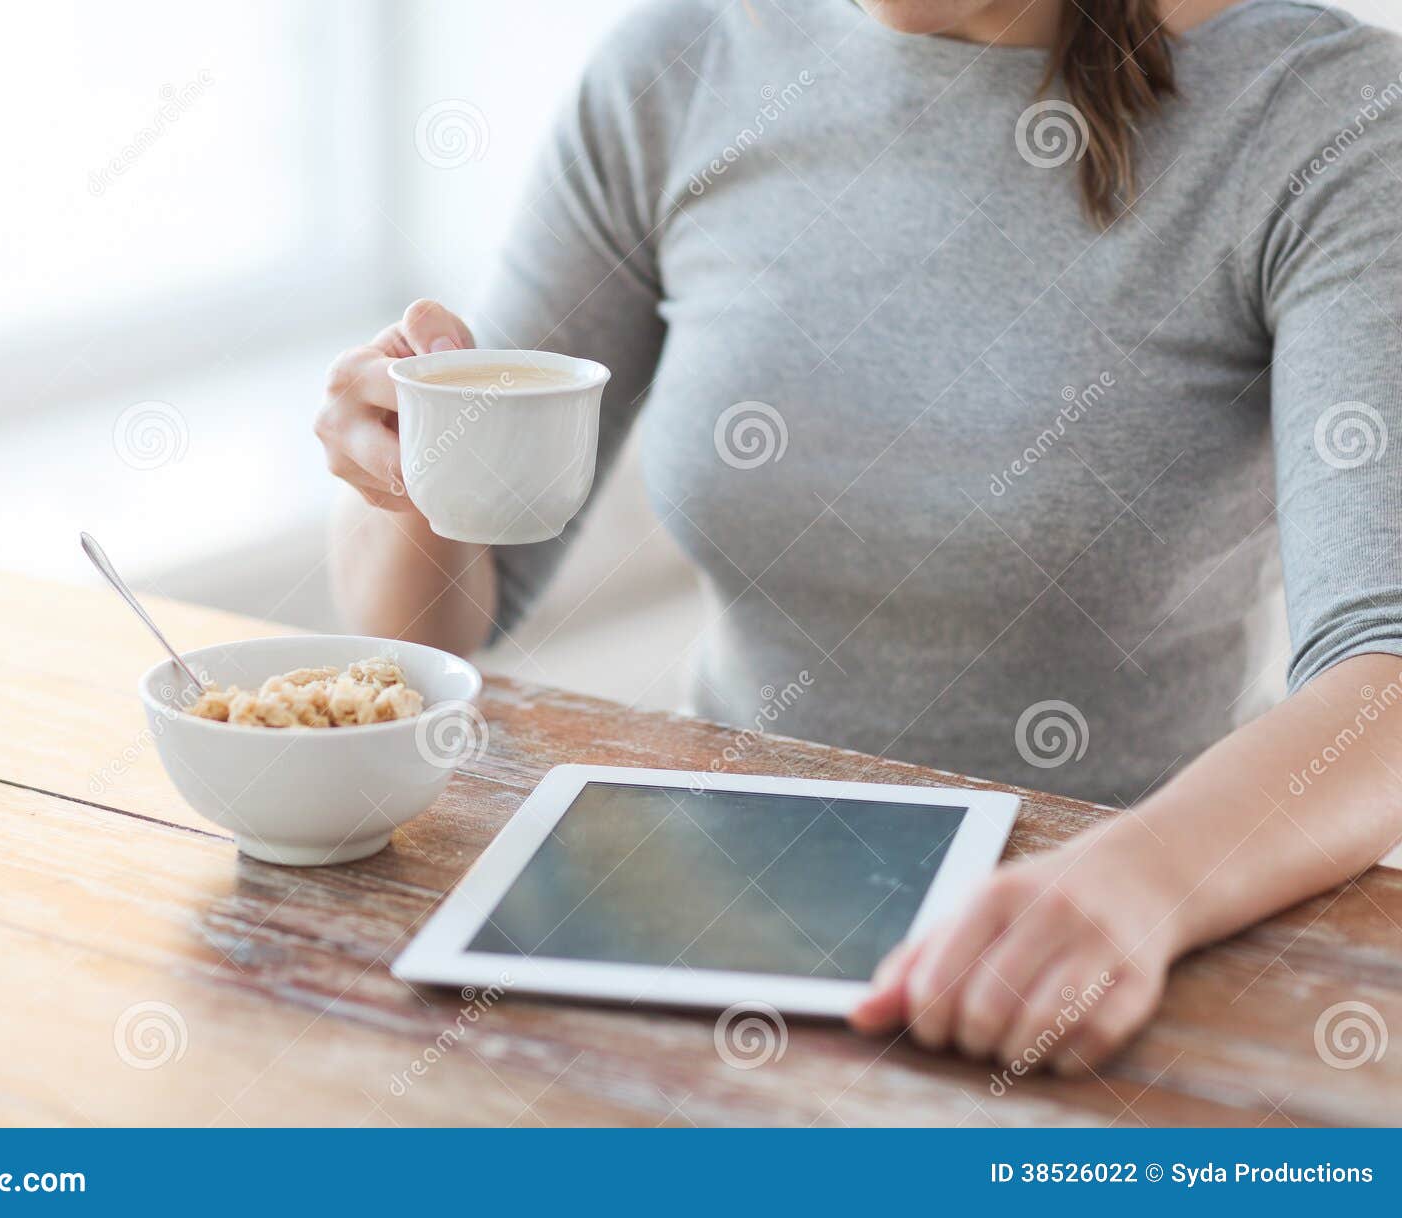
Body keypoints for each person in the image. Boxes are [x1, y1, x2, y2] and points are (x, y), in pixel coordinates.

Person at [315, 0, 1402, 1073]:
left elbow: (1385, 672)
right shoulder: (683, 63)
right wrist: (411, 464)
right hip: (711, 939)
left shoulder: (1328, 118)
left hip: (1101, 949)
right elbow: (442, 615)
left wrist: (1142, 877)